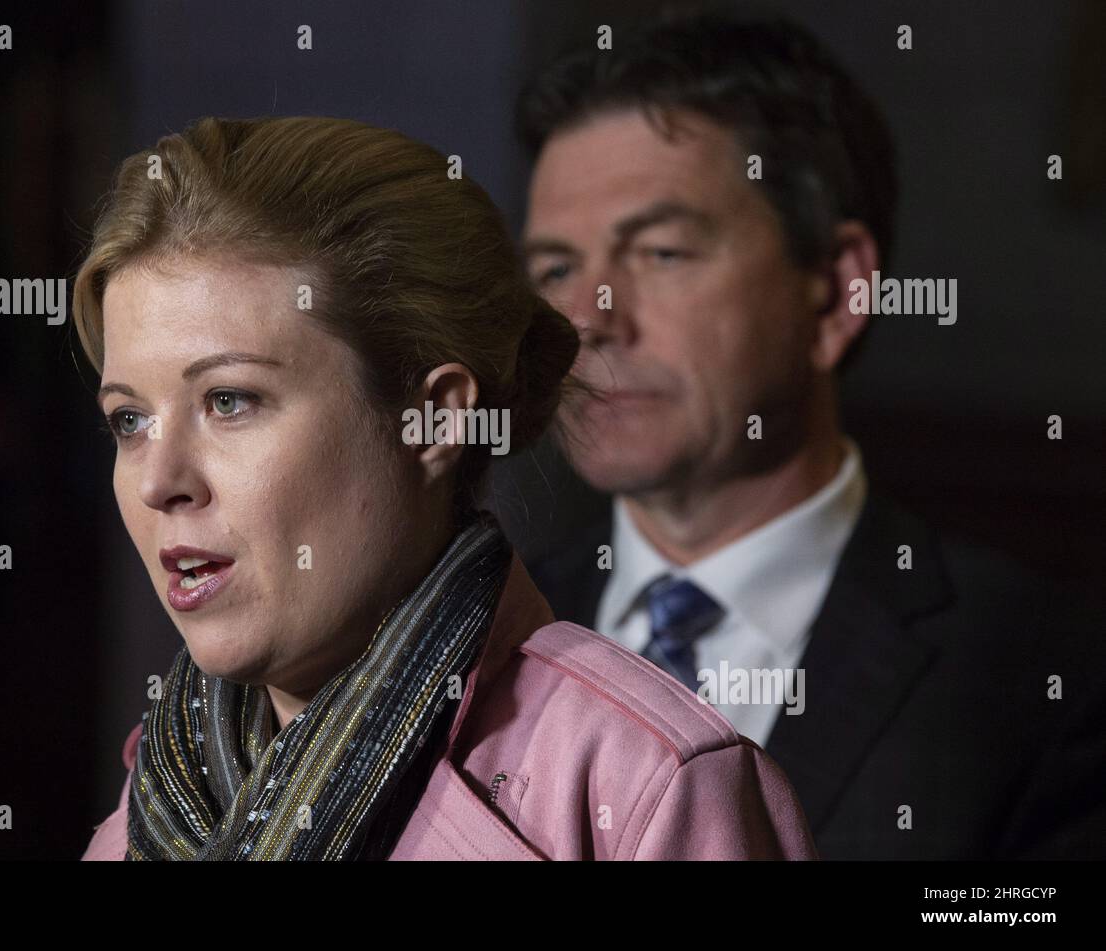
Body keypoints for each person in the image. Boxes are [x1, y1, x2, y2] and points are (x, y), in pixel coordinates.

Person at [73, 115, 816, 861]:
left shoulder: (643, 790)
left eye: (228, 401)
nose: (160, 480)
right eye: (130, 419)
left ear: (434, 420)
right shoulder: (141, 819)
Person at [515, 7, 1106, 860]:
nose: (588, 320)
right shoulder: (480, 630)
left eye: (662, 253)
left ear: (834, 292)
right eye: (557, 268)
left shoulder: (1046, 679)